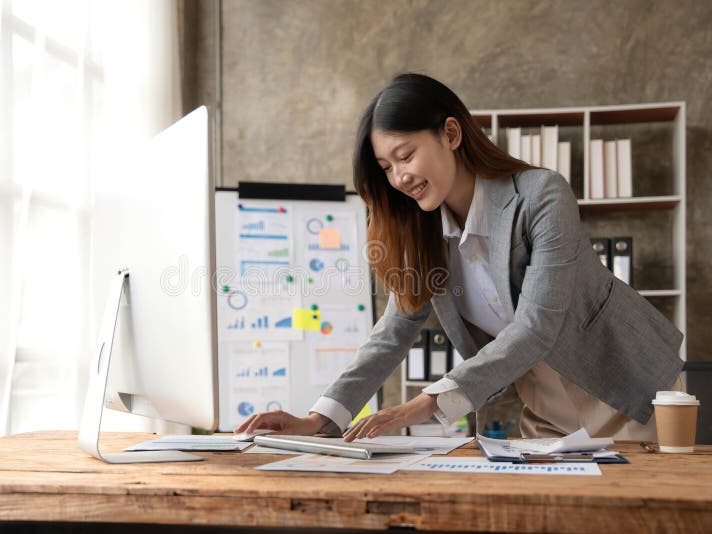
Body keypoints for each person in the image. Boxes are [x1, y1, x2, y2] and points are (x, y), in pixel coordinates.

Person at [236, 73, 684, 442]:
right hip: (544, 413)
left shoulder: (541, 195)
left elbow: (535, 327)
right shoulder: (425, 234)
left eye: (405, 155)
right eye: (387, 167)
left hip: (625, 391)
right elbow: (391, 334)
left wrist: (425, 405)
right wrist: (322, 419)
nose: (399, 177)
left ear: (450, 134)